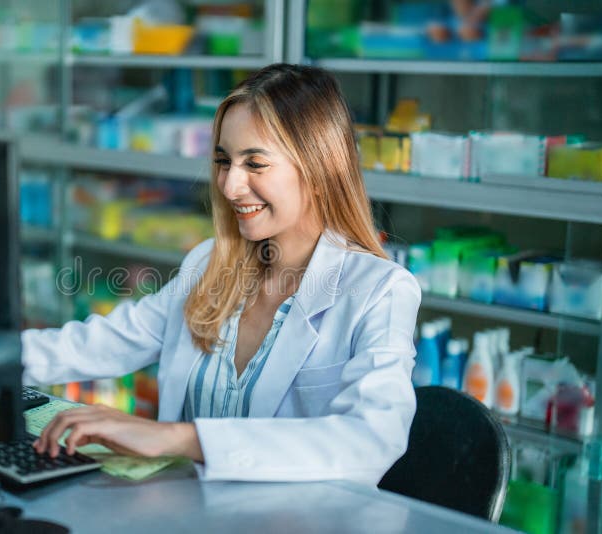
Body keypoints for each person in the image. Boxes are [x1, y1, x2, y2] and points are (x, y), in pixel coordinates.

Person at [26, 63, 421, 484]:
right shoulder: (208, 265)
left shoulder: (380, 291)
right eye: (223, 160)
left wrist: (179, 439)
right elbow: (100, 343)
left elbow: (372, 437)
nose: (230, 186)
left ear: (321, 169)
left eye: (255, 164)